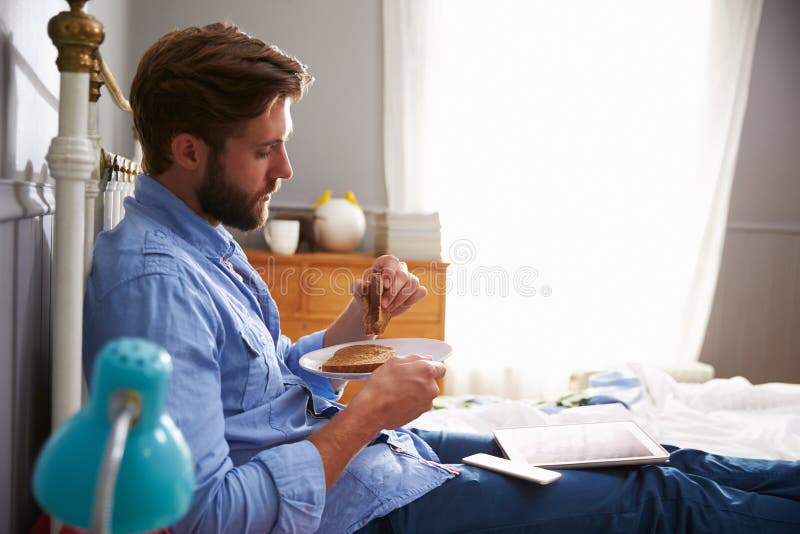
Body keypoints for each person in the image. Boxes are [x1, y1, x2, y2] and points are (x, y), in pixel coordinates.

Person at [83, 22, 800, 534]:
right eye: (265, 150)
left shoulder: (198, 237)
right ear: (186, 150)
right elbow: (210, 517)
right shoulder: (156, 287)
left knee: (637, 450)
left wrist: (361, 319)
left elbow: (263, 384)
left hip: (364, 457)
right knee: (661, 504)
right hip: (355, 506)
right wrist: (369, 414)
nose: (287, 171)